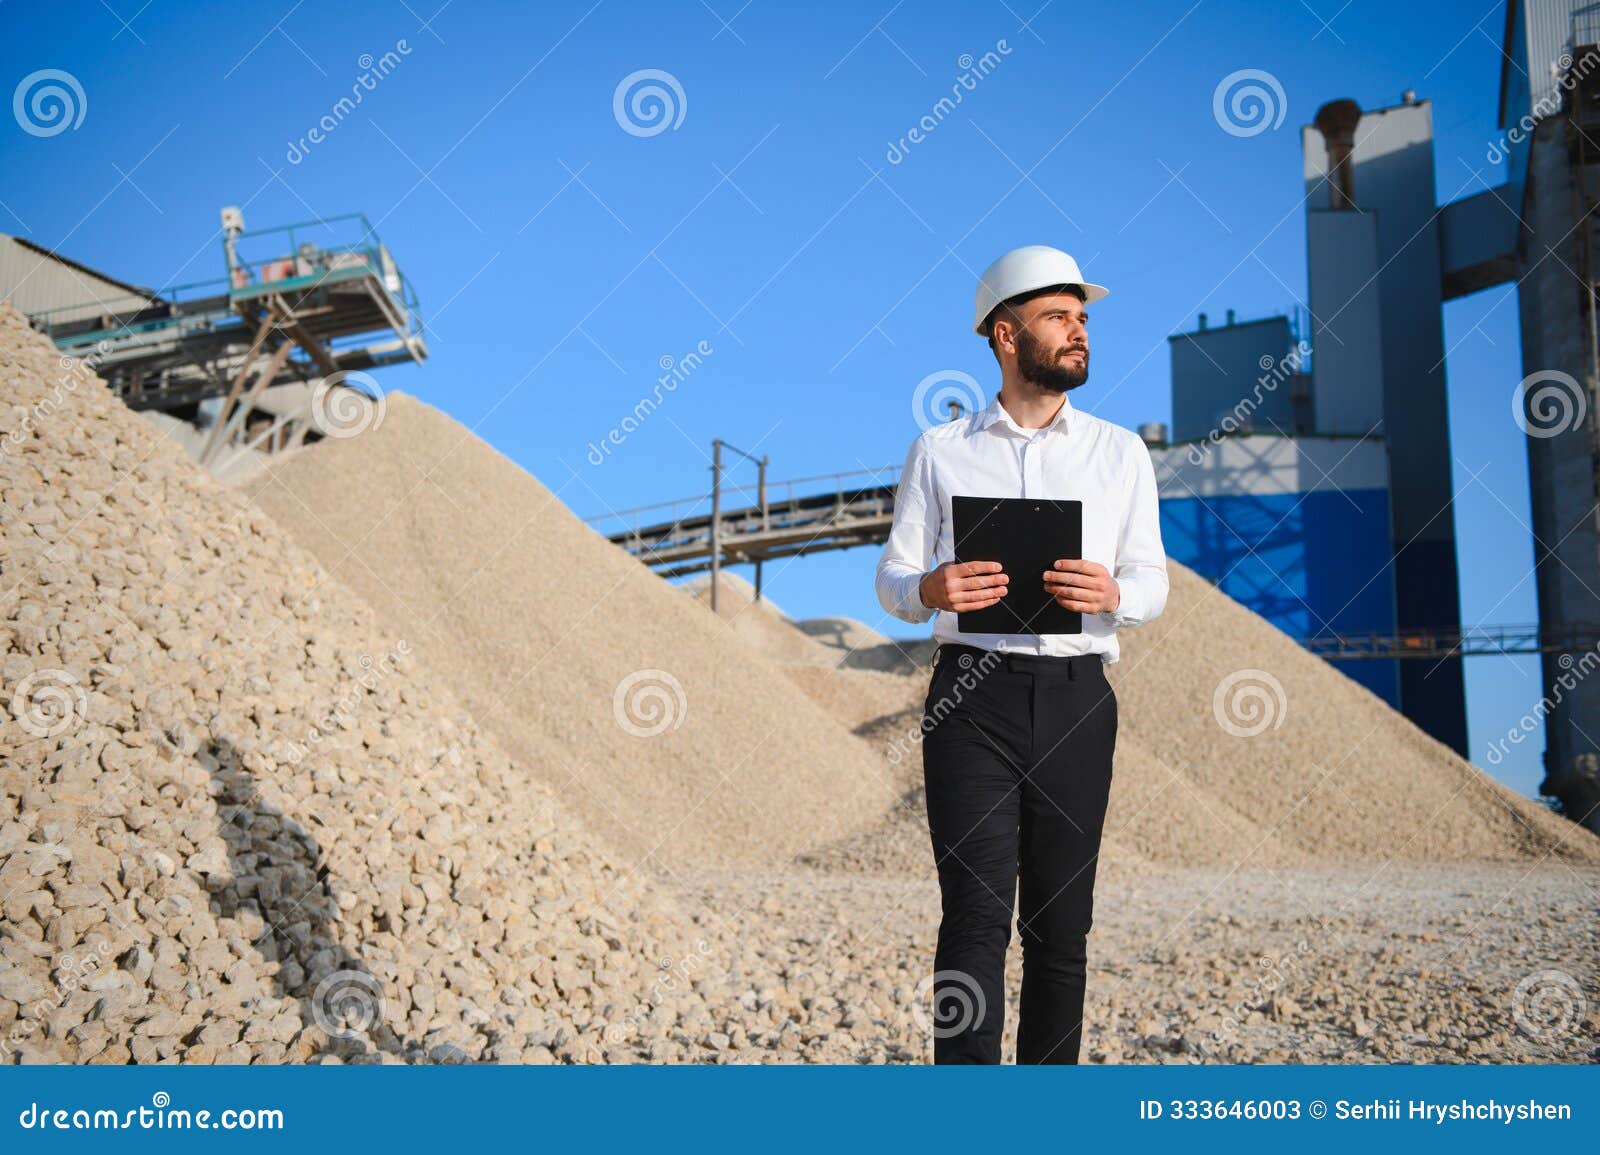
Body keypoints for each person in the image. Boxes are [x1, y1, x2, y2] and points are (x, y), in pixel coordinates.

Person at [875, 244, 1169, 1064]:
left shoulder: (1120, 453)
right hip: (971, 701)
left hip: (1079, 700)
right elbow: (892, 577)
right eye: (1058, 318)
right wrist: (930, 589)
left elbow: (1153, 579)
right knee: (972, 919)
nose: (1079, 332)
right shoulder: (939, 450)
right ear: (1006, 335)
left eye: (1083, 319)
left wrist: (1116, 594)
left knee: (1060, 931)